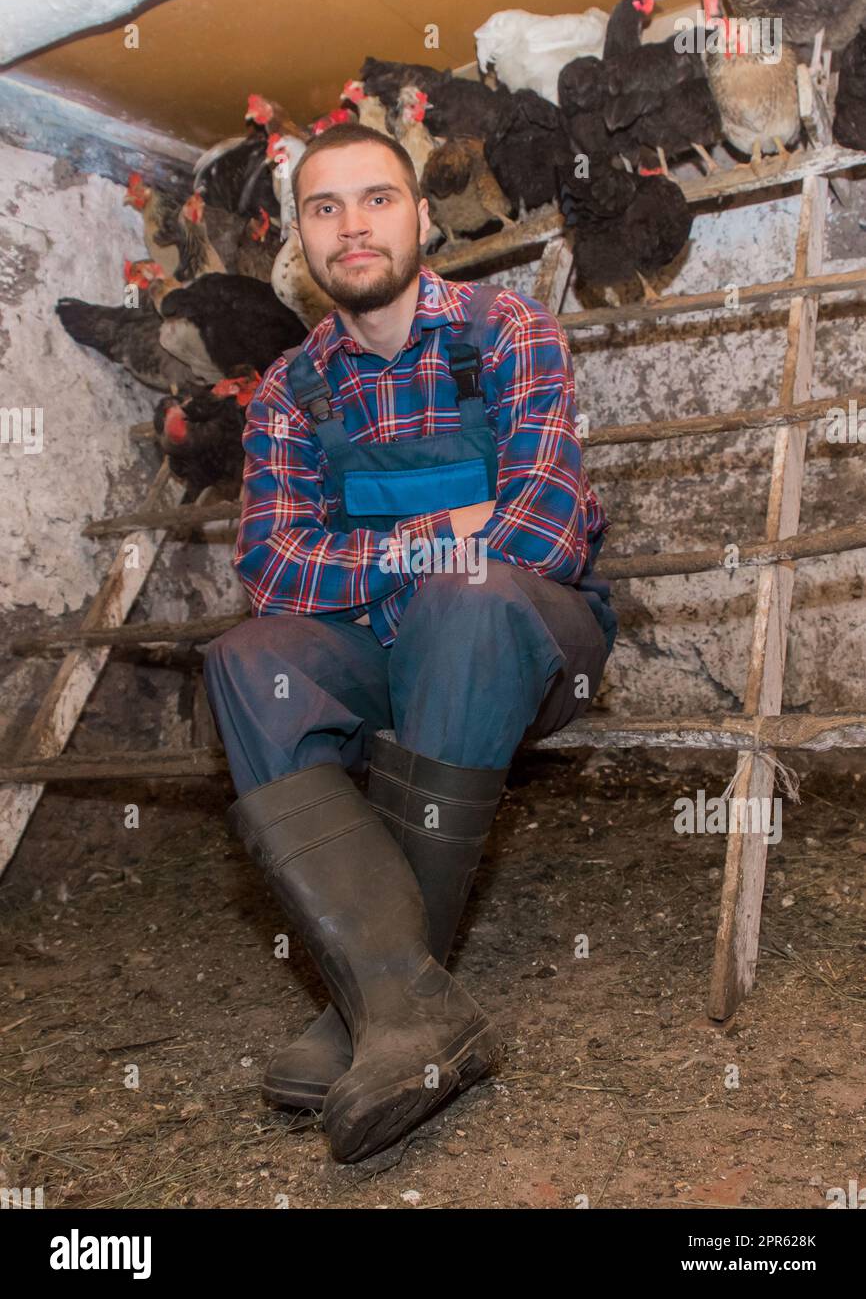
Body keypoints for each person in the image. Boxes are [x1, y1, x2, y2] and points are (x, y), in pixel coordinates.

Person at [203, 121, 617, 1165]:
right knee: (247, 657)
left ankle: (372, 1012)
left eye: (377, 198)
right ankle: (401, 1007)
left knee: (468, 598)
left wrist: (391, 551)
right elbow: (273, 568)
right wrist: (437, 537)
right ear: (298, 239)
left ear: (423, 216)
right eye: (325, 207)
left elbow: (542, 532)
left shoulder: (504, 332)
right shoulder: (291, 392)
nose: (354, 226)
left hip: (524, 640)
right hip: (387, 650)